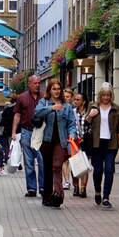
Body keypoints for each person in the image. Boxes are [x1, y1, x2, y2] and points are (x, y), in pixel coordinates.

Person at [34, 78, 74, 207]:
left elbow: (71, 123)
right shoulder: (44, 102)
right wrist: (51, 108)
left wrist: (72, 134)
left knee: (57, 166)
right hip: (46, 140)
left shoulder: (66, 106)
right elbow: (37, 113)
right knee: (46, 168)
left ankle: (58, 195)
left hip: (60, 141)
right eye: (54, 89)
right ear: (49, 90)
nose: (56, 91)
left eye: (58, 89)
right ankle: (47, 196)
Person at [85, 85, 119, 207]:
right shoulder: (93, 106)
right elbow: (86, 122)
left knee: (109, 170)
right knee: (98, 171)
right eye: (103, 95)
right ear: (100, 96)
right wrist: (90, 115)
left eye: (108, 95)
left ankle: (106, 197)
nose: (106, 97)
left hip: (111, 144)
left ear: (111, 96)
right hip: (96, 143)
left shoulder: (116, 109)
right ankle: (97, 191)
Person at [11, 74, 43, 196]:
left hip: (40, 131)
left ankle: (43, 187)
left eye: (39, 83)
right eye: (35, 83)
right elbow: (17, 115)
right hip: (26, 131)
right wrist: (14, 132)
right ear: (29, 84)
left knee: (42, 160)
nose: (37, 85)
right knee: (29, 161)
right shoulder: (22, 98)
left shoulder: (44, 97)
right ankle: (31, 188)